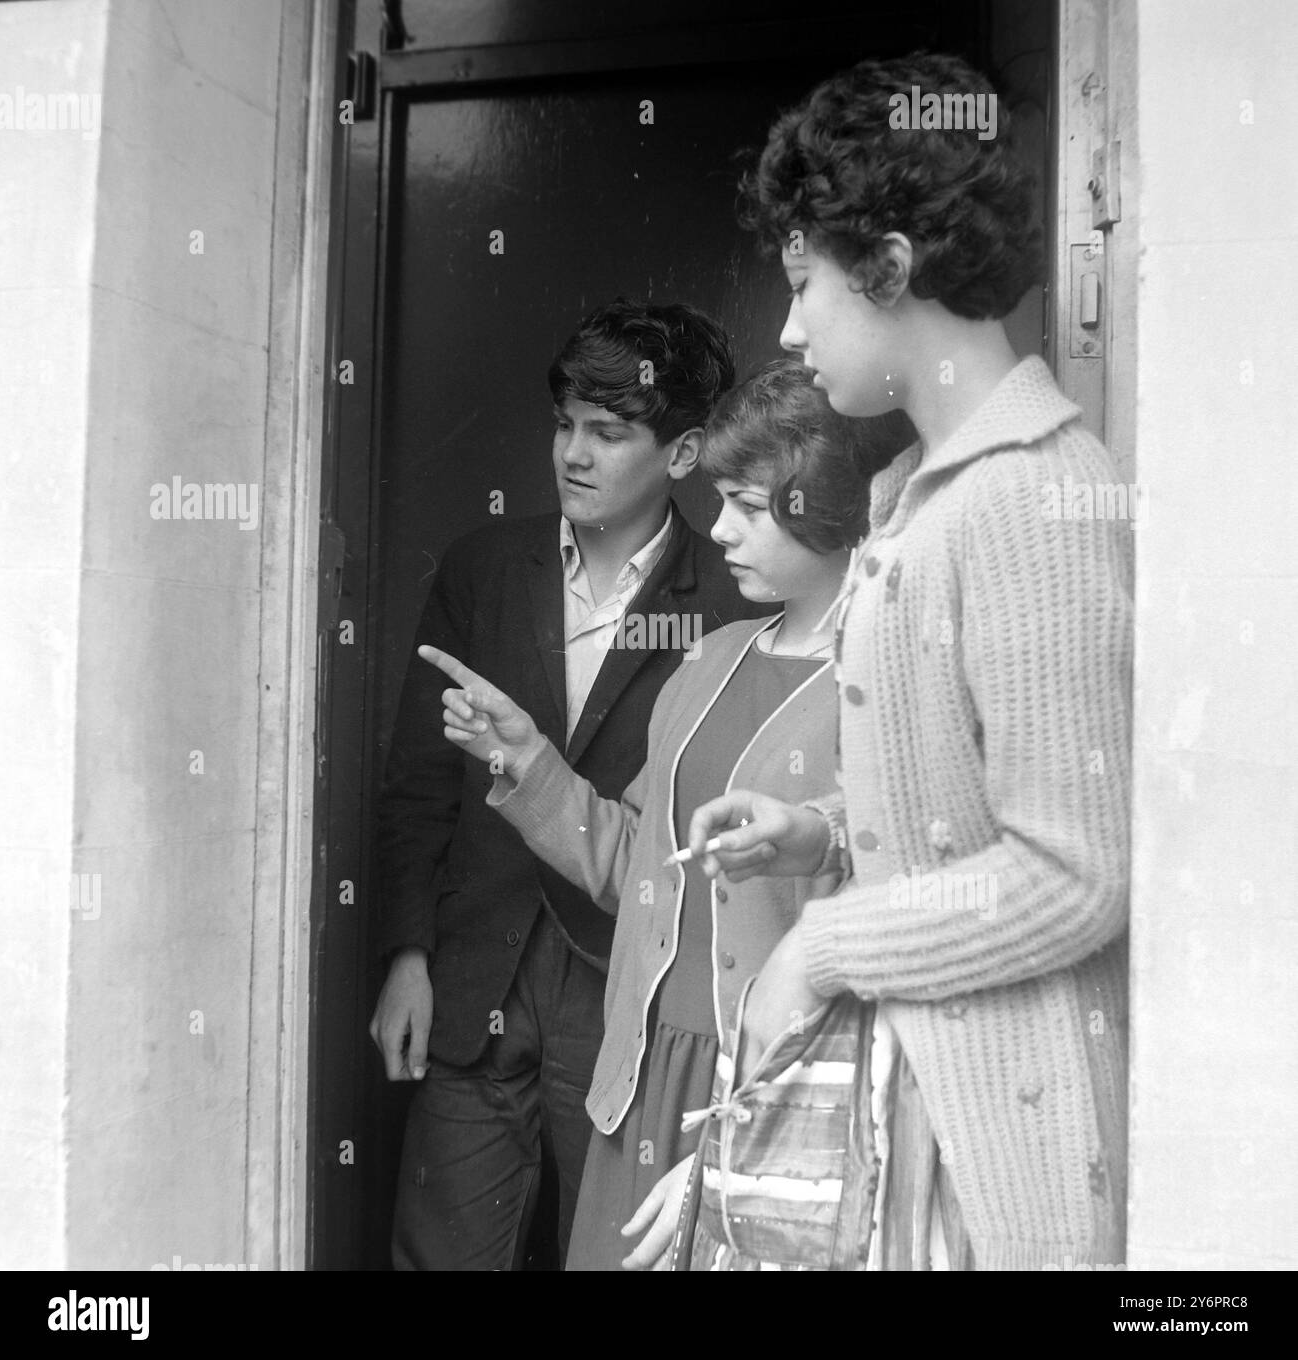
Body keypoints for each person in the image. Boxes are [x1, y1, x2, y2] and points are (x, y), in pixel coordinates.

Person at [687, 52, 1134, 1269]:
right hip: (914, 1120)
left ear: (887, 268)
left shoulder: (1030, 497)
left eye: (805, 285)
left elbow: (1074, 873)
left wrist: (821, 945)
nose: (787, 329)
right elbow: (958, 811)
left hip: (1007, 1156)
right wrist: (819, 833)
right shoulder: (910, 492)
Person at [421, 359, 901, 1269]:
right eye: (721, 500)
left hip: (779, 1088)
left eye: (749, 507)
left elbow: (905, 890)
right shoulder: (710, 661)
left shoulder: (888, 679)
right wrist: (528, 761)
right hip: (641, 1080)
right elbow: (636, 869)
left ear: (834, 508)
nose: (718, 529)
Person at [371, 298, 771, 1271]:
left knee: (613, 1256)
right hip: (472, 973)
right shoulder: (482, 568)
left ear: (683, 453)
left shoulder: (730, 599)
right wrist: (405, 953)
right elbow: (420, 780)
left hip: (625, 989)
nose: (574, 454)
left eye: (608, 432)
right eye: (564, 425)